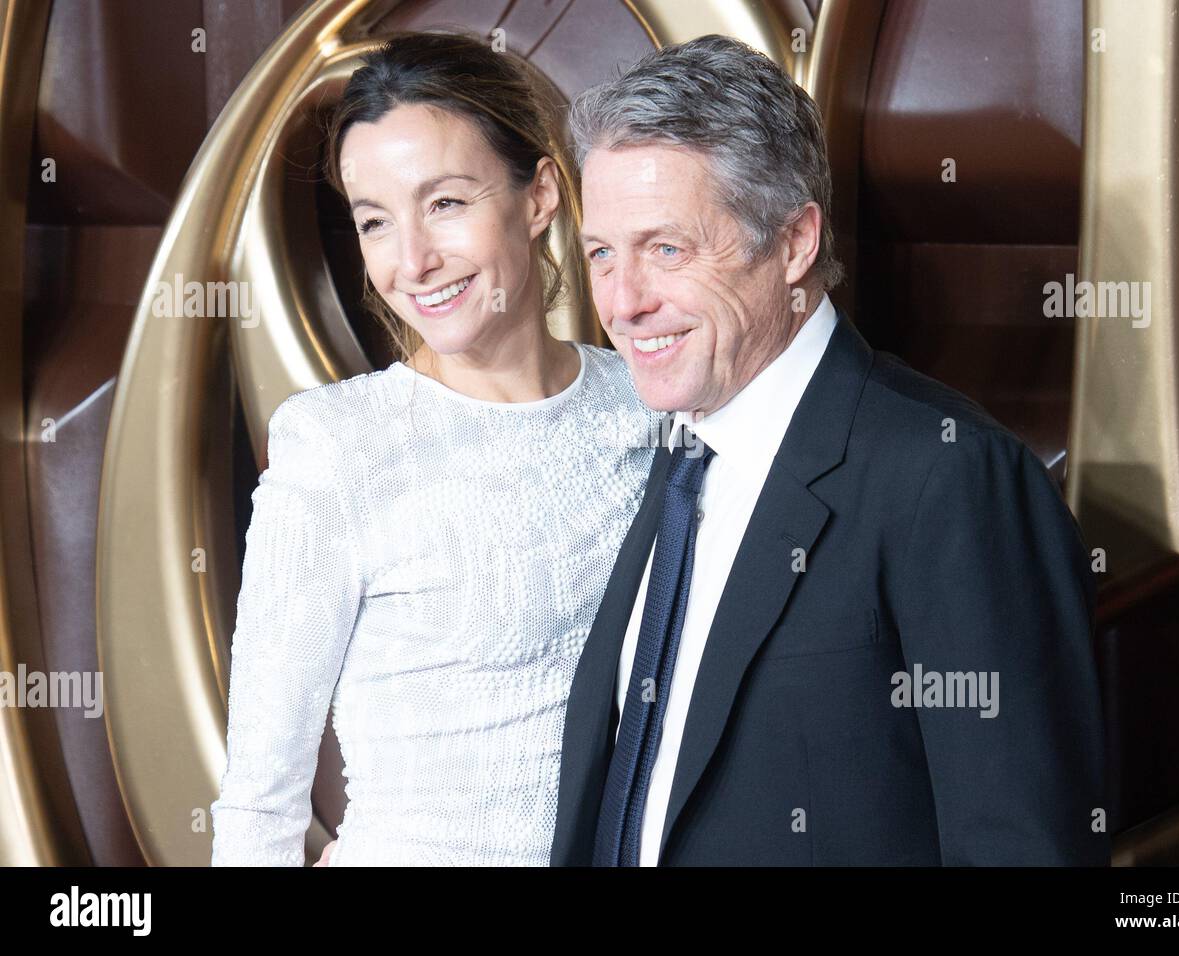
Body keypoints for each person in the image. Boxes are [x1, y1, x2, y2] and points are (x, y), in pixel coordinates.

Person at [551, 34, 1110, 866]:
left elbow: (1019, 843)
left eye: (666, 249)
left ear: (793, 243)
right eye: (602, 254)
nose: (623, 303)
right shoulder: (676, 454)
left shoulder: (951, 477)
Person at [209, 31, 659, 866]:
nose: (411, 260)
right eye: (374, 222)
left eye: (445, 203)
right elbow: (259, 796)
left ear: (539, 196)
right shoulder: (337, 448)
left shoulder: (647, 407)